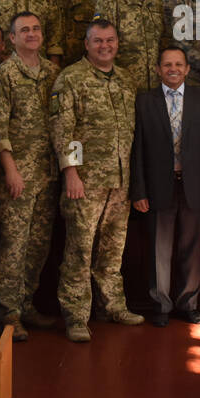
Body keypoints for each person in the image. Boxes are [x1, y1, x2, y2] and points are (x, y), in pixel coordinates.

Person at [51, 21, 143, 342]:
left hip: (120, 180)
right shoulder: (71, 79)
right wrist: (71, 172)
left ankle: (113, 305)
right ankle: (76, 316)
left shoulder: (125, 79)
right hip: (85, 181)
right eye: (98, 41)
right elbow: (64, 129)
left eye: (110, 40)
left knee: (113, 249)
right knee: (79, 250)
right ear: (86, 45)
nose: (105, 46)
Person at [131, 46, 200, 327]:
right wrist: (139, 190)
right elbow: (138, 151)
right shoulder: (144, 101)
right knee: (160, 247)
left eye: (178, 64)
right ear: (158, 69)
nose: (173, 69)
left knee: (191, 248)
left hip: (194, 184)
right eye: (167, 64)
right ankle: (161, 304)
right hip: (158, 186)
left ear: (187, 69)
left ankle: (189, 304)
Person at [0, 11, 59, 341]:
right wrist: (11, 170)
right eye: (23, 30)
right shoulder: (5, 75)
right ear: (12, 39)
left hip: (47, 174)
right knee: (14, 247)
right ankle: (9, 313)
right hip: (18, 176)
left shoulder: (52, 72)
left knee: (38, 245)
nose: (31, 34)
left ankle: (27, 304)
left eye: (36, 28)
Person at [95, 0, 164, 91]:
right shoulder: (108, 2)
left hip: (155, 87)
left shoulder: (154, 0)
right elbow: (101, 49)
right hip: (123, 88)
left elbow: (163, 40)